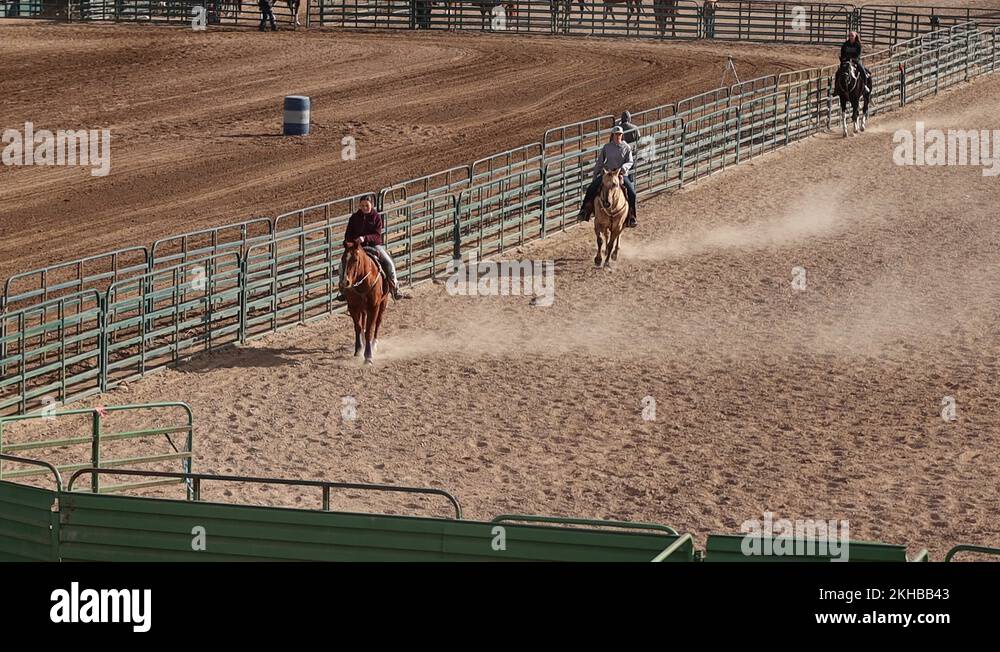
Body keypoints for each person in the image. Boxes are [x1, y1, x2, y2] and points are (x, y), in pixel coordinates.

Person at [342, 195, 409, 300]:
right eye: (362, 205)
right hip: (356, 248)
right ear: (359, 206)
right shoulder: (354, 218)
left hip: (373, 245)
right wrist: (350, 243)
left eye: (367, 205)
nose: (364, 208)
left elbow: (377, 235)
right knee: (343, 264)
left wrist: (365, 238)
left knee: (388, 262)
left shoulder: (376, 217)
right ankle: (343, 289)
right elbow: (348, 234)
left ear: (371, 205)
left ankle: (395, 288)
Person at [577, 126, 637, 228]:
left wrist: (623, 168)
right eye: (616, 134)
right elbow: (600, 162)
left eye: (620, 134)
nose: (618, 136)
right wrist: (595, 175)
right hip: (607, 174)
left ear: (622, 135)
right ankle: (585, 211)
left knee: (632, 193)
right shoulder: (607, 147)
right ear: (612, 135)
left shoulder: (626, 147)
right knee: (592, 188)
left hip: (620, 174)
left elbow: (630, 161)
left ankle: (631, 216)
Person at [617, 112, 641, 227]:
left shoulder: (618, 130)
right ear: (629, 119)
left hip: (617, 162)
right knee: (630, 182)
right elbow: (639, 139)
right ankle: (632, 214)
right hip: (630, 159)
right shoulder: (634, 128)